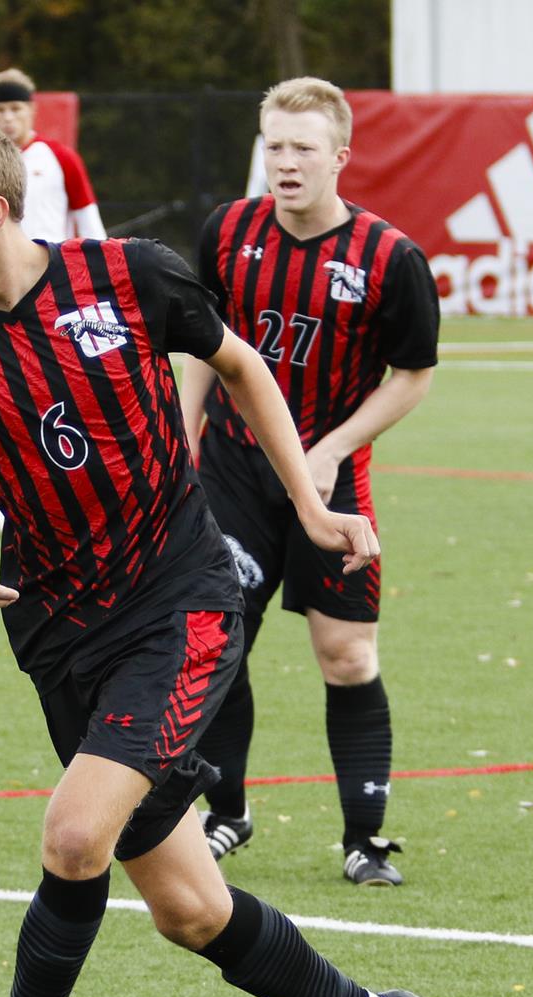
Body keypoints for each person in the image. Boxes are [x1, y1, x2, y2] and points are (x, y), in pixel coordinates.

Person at [0, 116, 433, 997]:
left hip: (181, 608)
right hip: (55, 631)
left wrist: (309, 505)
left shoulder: (129, 276)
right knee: (187, 910)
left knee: (74, 835)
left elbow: (242, 366)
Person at [180, 78, 439, 887]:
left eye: (303, 148)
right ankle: (227, 814)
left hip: (333, 483)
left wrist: (330, 449)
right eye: (275, 146)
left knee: (346, 654)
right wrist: (183, 432)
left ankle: (364, 839)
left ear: (340, 157)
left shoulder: (390, 258)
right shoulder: (227, 231)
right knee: (215, 634)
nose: (285, 163)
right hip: (232, 468)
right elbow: (196, 342)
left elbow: (413, 375)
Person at [0, 67, 106, 537]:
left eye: (15, 108)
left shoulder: (58, 157)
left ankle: (81, 486)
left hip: (56, 286)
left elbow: (89, 222)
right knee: (9, 390)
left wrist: (98, 279)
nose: (7, 118)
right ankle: (16, 498)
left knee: (68, 386)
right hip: (1, 290)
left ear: (31, 109)